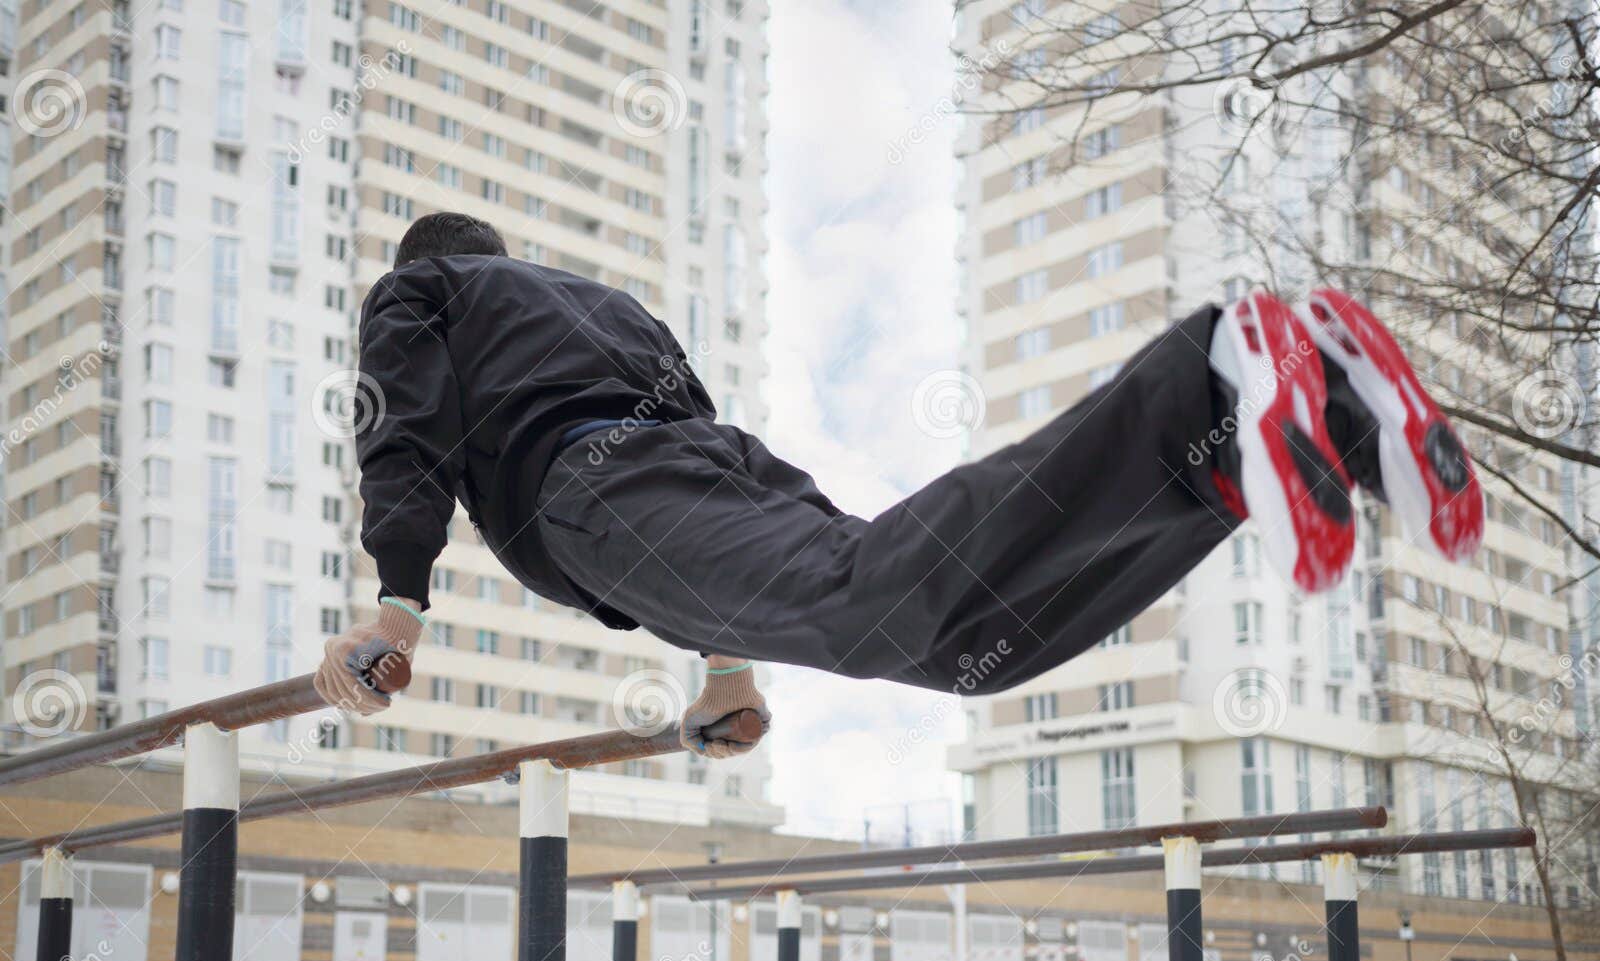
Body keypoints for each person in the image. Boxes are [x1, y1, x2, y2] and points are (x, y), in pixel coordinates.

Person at [314, 211, 1484, 757]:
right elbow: (694, 476)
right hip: (697, 475)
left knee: (901, 606)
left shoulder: (426, 296)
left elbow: (403, 431)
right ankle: (1268, 430)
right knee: (967, 634)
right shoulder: (603, 304)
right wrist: (726, 666)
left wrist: (396, 607)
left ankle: (1206, 377)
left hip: (593, 495)